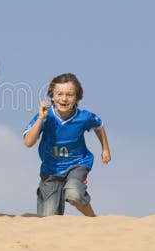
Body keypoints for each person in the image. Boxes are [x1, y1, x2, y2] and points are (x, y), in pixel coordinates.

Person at [22, 73, 111, 217]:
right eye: (59, 94)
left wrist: (105, 149)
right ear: (52, 96)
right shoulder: (46, 116)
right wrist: (41, 119)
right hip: (50, 171)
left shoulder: (84, 117)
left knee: (74, 194)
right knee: (48, 219)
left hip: (77, 164)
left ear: (77, 97)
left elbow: (99, 125)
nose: (64, 98)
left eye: (69, 95)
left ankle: (94, 220)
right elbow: (28, 142)